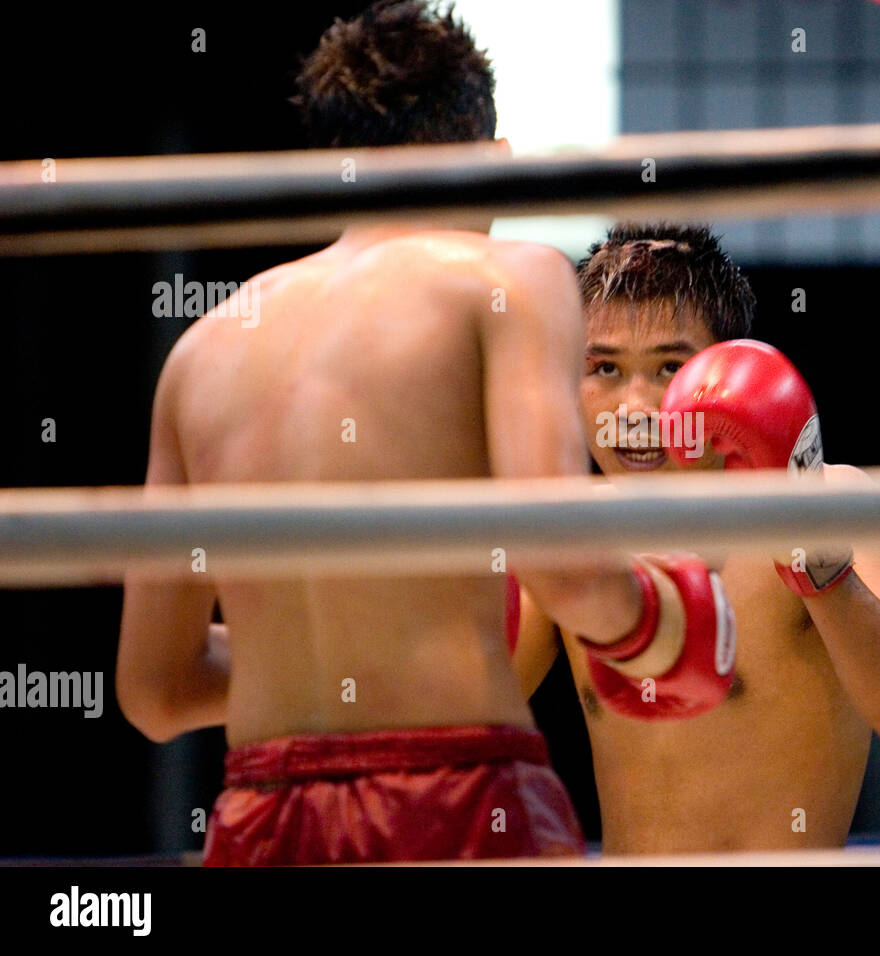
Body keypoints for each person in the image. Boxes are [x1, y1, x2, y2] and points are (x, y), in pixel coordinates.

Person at [116, 3, 734, 866]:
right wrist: (674, 624)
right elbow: (563, 559)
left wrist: (298, 648)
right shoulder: (508, 279)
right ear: (494, 161)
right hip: (456, 797)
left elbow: (152, 689)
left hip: (260, 812)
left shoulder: (203, 348)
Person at [511, 224, 880, 853]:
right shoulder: (574, 531)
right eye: (603, 367)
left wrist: (814, 561)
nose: (634, 406)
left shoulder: (832, 497)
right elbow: (474, 707)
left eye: (669, 366)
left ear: (729, 368)